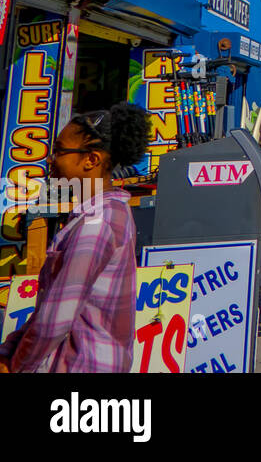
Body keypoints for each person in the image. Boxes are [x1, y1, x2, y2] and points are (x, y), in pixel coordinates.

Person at [0, 103, 150, 373]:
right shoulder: (105, 213)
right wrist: (9, 350)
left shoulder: (96, 224)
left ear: (90, 160)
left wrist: (17, 366)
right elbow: (51, 308)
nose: (50, 160)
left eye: (58, 151)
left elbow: (54, 320)